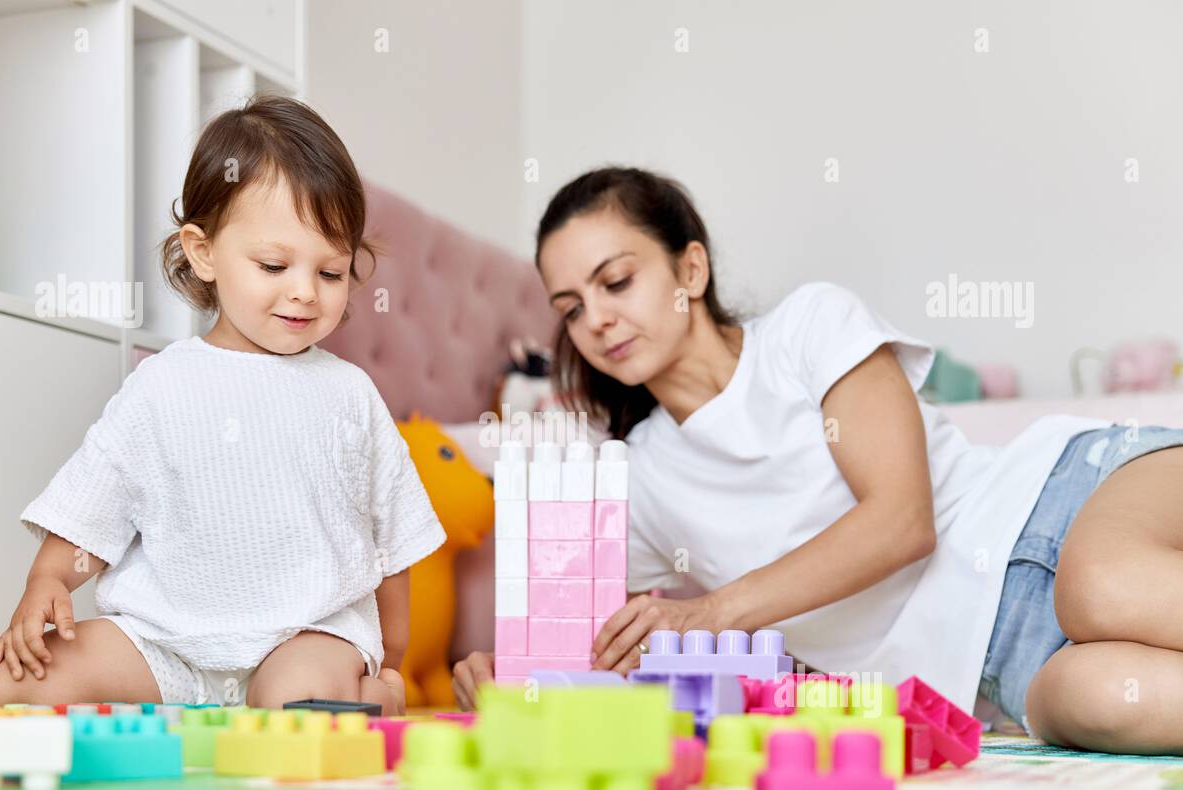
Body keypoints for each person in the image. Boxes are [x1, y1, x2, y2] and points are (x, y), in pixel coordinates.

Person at [455, 166, 1183, 756]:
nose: (597, 319)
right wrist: (509, 671)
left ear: (691, 269)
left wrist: (712, 611)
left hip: (1064, 497)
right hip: (1003, 666)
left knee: (1102, 588)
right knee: (1104, 701)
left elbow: (902, 522)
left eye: (615, 281)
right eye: (571, 307)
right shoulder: (641, 480)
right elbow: (591, 640)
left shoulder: (808, 328)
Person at [0, 96, 445, 714]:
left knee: (297, 707)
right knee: (6, 685)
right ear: (203, 252)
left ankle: (356, 697)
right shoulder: (160, 386)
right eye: (275, 264)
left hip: (304, 639)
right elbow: (94, 510)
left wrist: (391, 660)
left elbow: (395, 539)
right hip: (164, 645)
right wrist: (47, 581)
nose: (305, 292)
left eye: (331, 274)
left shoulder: (350, 394)